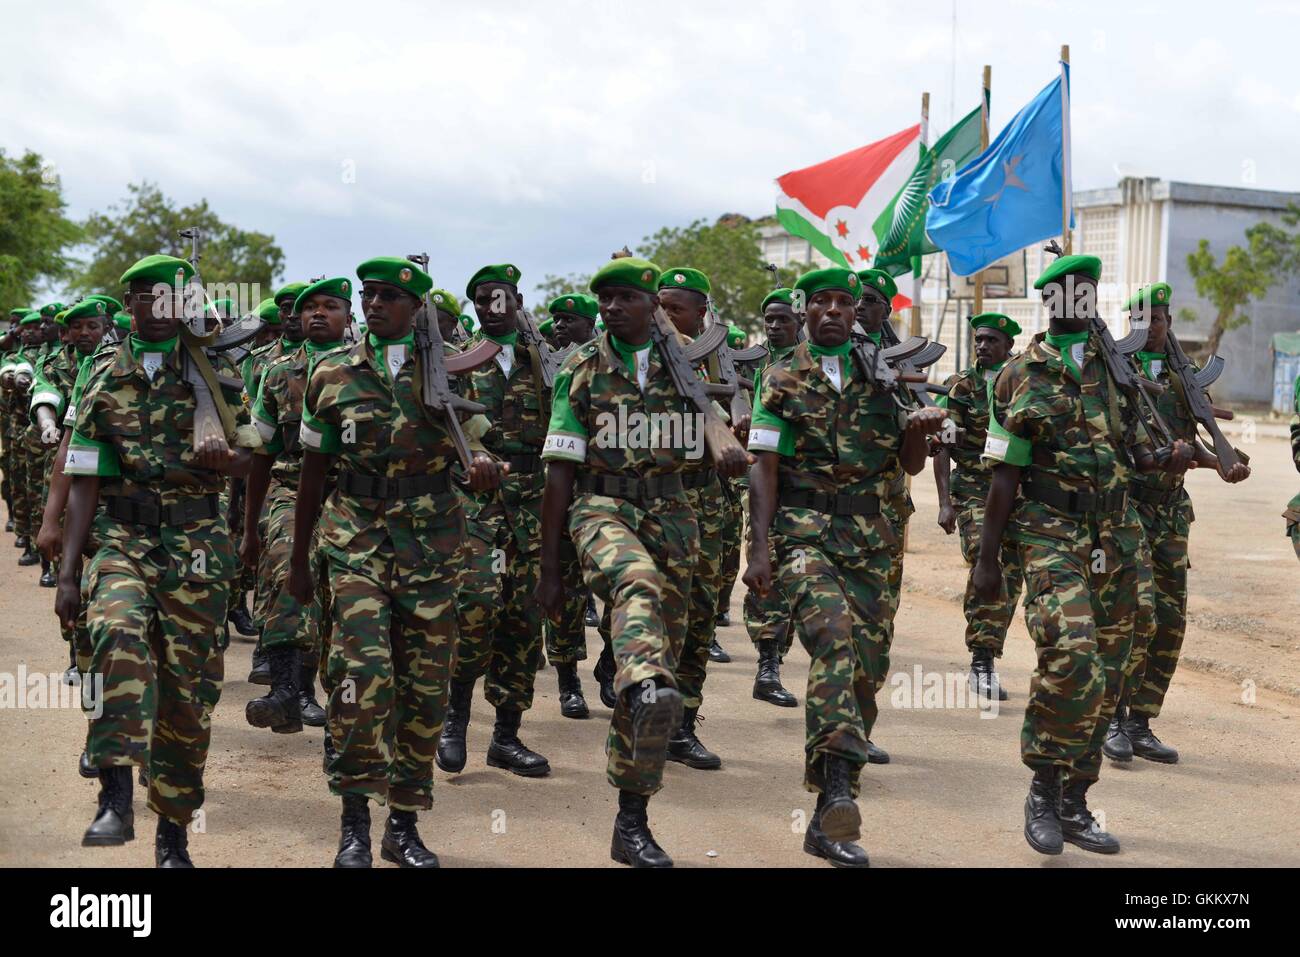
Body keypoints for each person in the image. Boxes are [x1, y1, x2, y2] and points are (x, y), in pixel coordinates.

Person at [973, 254, 1197, 857]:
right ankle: (1043, 790)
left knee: (1115, 667)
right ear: (1048, 303)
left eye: (1088, 290)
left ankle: (1076, 799)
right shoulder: (1018, 375)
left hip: (1119, 535)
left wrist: (1168, 460)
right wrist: (987, 562)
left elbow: (1137, 453)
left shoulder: (1121, 372)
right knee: (1072, 657)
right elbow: (1003, 474)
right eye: (1066, 291)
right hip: (1050, 532)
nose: (1077, 300)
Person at [290, 256, 505, 868]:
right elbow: (312, 474)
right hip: (354, 539)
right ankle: (354, 822)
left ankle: (404, 824)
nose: (374, 304)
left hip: (433, 548)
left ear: (417, 310)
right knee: (361, 677)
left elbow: (480, 444)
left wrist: (486, 468)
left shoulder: (443, 373)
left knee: (424, 685)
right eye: (368, 295)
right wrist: (300, 563)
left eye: (388, 296)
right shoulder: (330, 374)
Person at [535, 254, 749, 867]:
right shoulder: (580, 369)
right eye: (605, 300)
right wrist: (552, 570)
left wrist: (723, 444)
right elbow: (559, 472)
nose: (611, 309)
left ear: (651, 303)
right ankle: (641, 676)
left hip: (674, 516)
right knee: (637, 583)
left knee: (661, 670)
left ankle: (631, 820)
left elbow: (717, 424)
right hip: (602, 507)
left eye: (626, 298)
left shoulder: (689, 361)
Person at [57, 254, 258, 867]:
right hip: (122, 537)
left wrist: (226, 458)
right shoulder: (101, 378)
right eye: (140, 295)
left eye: (163, 295)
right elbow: (86, 477)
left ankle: (172, 835)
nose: (151, 305)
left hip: (196, 545)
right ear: (130, 305)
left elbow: (254, 459)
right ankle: (115, 792)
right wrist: (68, 571)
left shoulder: (219, 374)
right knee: (115, 632)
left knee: (187, 694)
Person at [744, 266, 946, 868]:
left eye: (844, 303)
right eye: (822, 302)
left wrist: (922, 429)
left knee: (867, 668)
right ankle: (834, 796)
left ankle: (836, 796)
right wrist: (758, 548)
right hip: (804, 535)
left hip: (874, 543)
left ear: (857, 313)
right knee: (836, 642)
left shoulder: (884, 374)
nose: (833, 311)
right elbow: (763, 465)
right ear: (806, 311)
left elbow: (909, 464)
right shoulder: (781, 377)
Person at [1103, 283, 1249, 765]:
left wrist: (1221, 462)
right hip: (1128, 508)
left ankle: (1141, 721)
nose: (1153, 329)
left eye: (1161, 320)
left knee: (1169, 620)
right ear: (1130, 326)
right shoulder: (1113, 374)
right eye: (1144, 321)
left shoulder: (1185, 379)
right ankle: (1113, 717)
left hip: (1170, 512)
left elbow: (1193, 447)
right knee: (1135, 613)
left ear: (1170, 325)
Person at [436, 264, 552, 778]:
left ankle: (506, 736)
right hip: (475, 502)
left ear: (518, 300)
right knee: (475, 607)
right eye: (482, 299)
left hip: (534, 501)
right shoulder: (454, 361)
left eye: (501, 297)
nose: (492, 306)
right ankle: (454, 720)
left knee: (524, 621)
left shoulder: (547, 362)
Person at [241, 278, 351, 735]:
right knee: (289, 565)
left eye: (330, 307)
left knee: (341, 597)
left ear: (349, 316)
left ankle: (331, 701)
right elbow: (261, 453)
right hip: (289, 488)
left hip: (354, 494)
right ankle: (288, 689)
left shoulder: (370, 369)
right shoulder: (278, 371)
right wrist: (249, 528)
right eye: (309, 309)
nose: (318, 314)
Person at [933, 312, 1024, 701]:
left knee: (1013, 573)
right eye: (979, 340)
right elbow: (942, 446)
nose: (983, 346)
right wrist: (944, 503)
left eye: (991, 341)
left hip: (1016, 493)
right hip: (971, 489)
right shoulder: (960, 387)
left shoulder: (1023, 385)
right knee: (986, 562)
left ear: (1009, 348)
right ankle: (981, 659)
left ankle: (989, 650)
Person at [656, 265, 725, 769]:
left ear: (702, 313)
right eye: (659, 307)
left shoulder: (718, 363)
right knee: (650, 614)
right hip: (658, 503)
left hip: (708, 504)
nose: (665, 318)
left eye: (676, 309)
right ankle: (643, 708)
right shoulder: (648, 363)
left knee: (699, 617)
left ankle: (682, 724)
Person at [739, 288, 801, 708]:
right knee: (770, 580)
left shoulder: (810, 366)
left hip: (809, 491)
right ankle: (768, 664)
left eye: (783, 320)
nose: (775, 327)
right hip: (769, 485)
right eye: (769, 321)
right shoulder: (763, 366)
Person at [543, 292, 600, 718]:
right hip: (564, 488)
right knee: (568, 596)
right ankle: (568, 681)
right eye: (555, 321)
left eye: (568, 321)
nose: (559, 327)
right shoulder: (561, 365)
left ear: (588, 325)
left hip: (609, 494)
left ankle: (614, 660)